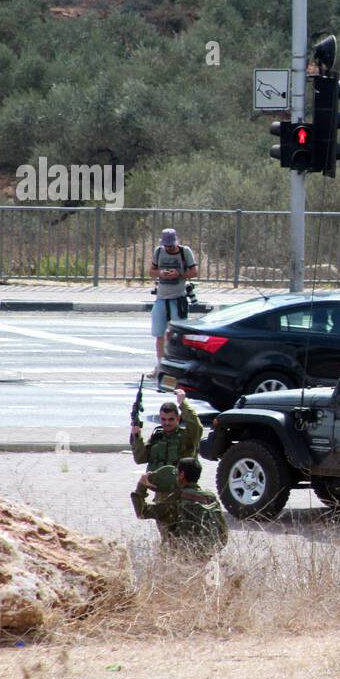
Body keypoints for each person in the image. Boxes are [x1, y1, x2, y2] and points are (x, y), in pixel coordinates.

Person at [131, 389, 203, 521]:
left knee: (183, 527)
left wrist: (183, 403)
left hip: (182, 491)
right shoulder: (157, 436)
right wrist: (136, 437)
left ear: (178, 418)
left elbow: (197, 427)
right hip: (161, 492)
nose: (167, 423)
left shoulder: (186, 437)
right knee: (165, 529)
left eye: (171, 419)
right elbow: (140, 458)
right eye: (163, 419)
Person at [132, 456, 229, 556]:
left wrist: (141, 487)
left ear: (182, 475)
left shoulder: (177, 498)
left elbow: (142, 513)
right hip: (205, 556)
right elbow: (223, 532)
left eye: (177, 473)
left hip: (181, 558)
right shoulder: (210, 497)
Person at [150, 228, 198, 374]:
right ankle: (160, 366)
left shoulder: (185, 252)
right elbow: (152, 271)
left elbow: (194, 272)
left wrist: (180, 274)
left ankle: (177, 365)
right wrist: (161, 273)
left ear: (176, 242)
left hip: (178, 298)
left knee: (177, 334)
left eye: (171, 245)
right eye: (166, 245)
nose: (169, 248)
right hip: (161, 298)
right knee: (159, 334)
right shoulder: (158, 251)